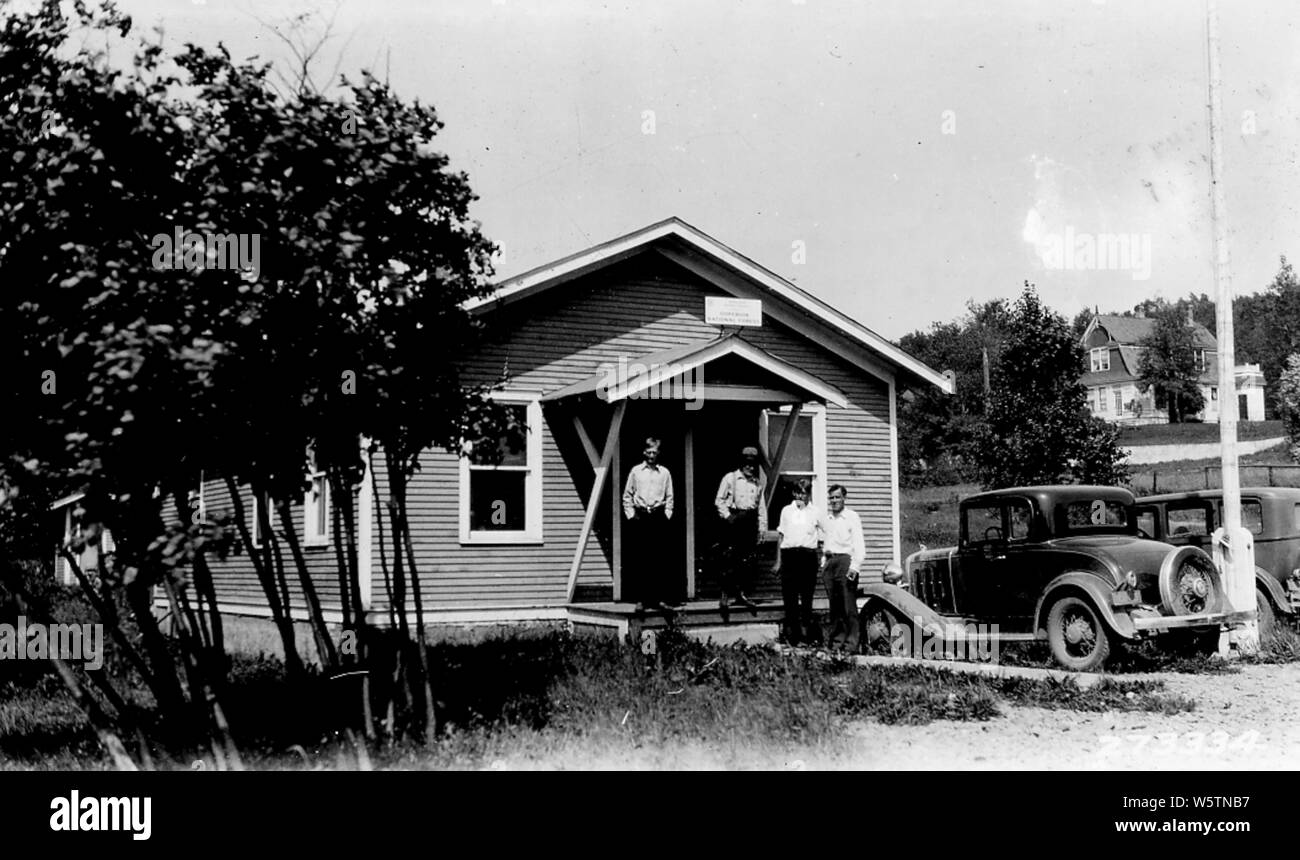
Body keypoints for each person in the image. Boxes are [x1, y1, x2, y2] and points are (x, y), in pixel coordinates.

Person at [621, 437, 677, 615]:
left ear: (659, 453)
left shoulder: (665, 473)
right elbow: (627, 496)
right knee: (641, 559)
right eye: (649, 452)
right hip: (641, 517)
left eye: (655, 452)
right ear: (644, 453)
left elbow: (670, 497)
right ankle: (641, 600)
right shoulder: (636, 471)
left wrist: (667, 515)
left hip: (658, 517)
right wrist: (631, 516)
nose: (652, 455)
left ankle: (660, 599)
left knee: (659, 559)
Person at [714, 446, 763, 618]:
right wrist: (728, 516)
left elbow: (760, 507)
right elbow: (719, 500)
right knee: (729, 560)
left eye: (753, 464)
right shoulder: (731, 478)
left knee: (746, 561)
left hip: (749, 522)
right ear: (742, 464)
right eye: (747, 464)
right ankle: (725, 595)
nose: (750, 467)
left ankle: (741, 594)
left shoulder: (757, 483)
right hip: (734, 521)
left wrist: (761, 528)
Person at [776, 478, 821, 645]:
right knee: (790, 598)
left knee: (807, 598)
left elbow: (825, 534)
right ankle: (794, 637)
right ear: (793, 493)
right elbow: (781, 537)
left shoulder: (816, 512)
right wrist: (778, 562)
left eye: (804, 492)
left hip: (808, 556)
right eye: (797, 492)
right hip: (789, 556)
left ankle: (808, 636)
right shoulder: (786, 511)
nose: (800, 496)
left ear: (809, 494)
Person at [821, 484, 864, 652]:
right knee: (835, 606)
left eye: (837, 497)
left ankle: (852, 644)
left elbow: (859, 544)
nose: (834, 501)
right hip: (831, 563)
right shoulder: (828, 519)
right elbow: (827, 542)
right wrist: (824, 562)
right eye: (831, 498)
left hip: (846, 562)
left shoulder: (852, 517)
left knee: (848, 606)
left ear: (844, 498)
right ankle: (837, 643)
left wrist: (855, 566)